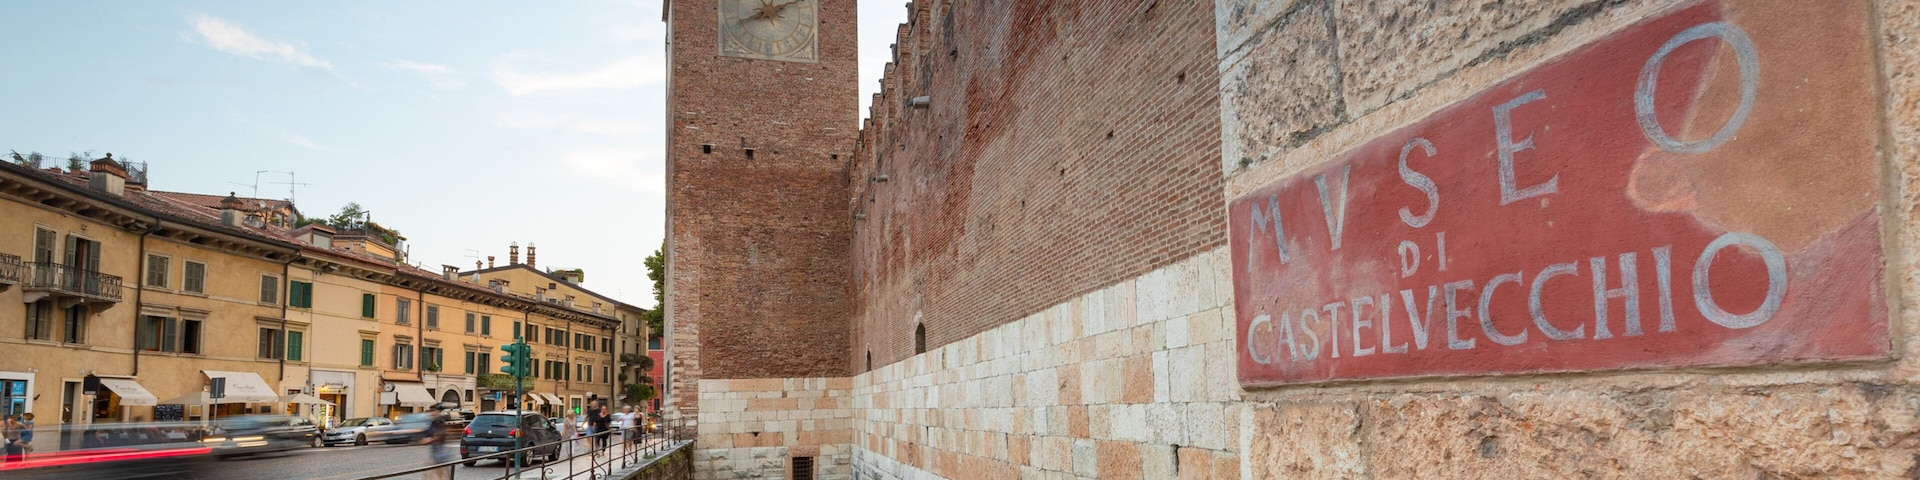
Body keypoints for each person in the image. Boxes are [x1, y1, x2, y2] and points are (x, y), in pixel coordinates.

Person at [418, 411, 454, 480]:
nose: (432, 415)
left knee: (437, 466)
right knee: (437, 466)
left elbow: (440, 434)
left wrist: (429, 440)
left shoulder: (440, 422)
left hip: (440, 447)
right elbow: (429, 433)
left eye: (433, 414)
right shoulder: (433, 422)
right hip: (435, 447)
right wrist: (426, 438)